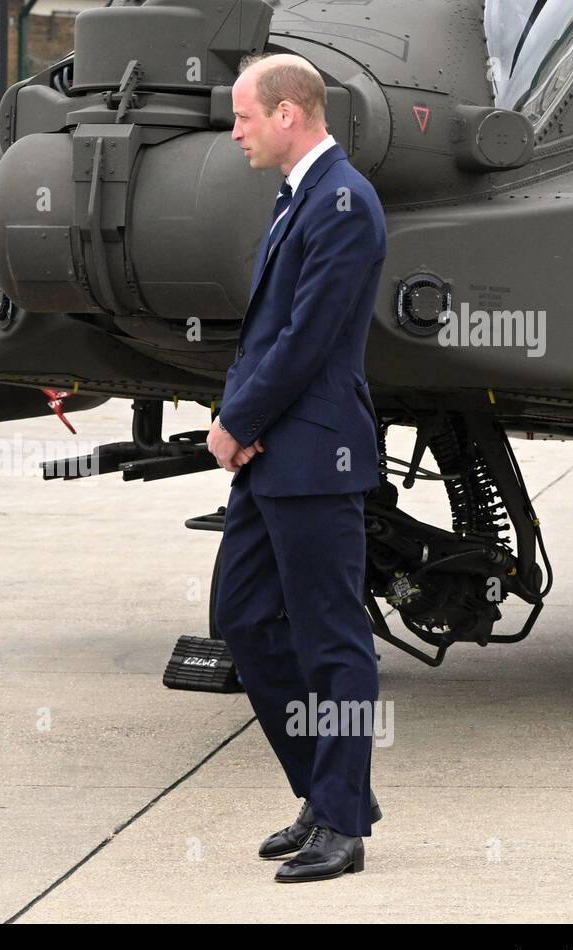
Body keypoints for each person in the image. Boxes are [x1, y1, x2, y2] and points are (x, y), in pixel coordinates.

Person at [207, 54, 386, 883]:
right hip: (271, 456)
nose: (235, 130)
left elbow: (309, 338)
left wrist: (239, 420)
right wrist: (233, 423)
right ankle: (326, 787)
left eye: (244, 116)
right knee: (243, 619)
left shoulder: (343, 202)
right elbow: (263, 333)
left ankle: (342, 822)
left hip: (315, 454)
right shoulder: (300, 198)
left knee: (332, 639)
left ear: (288, 113)